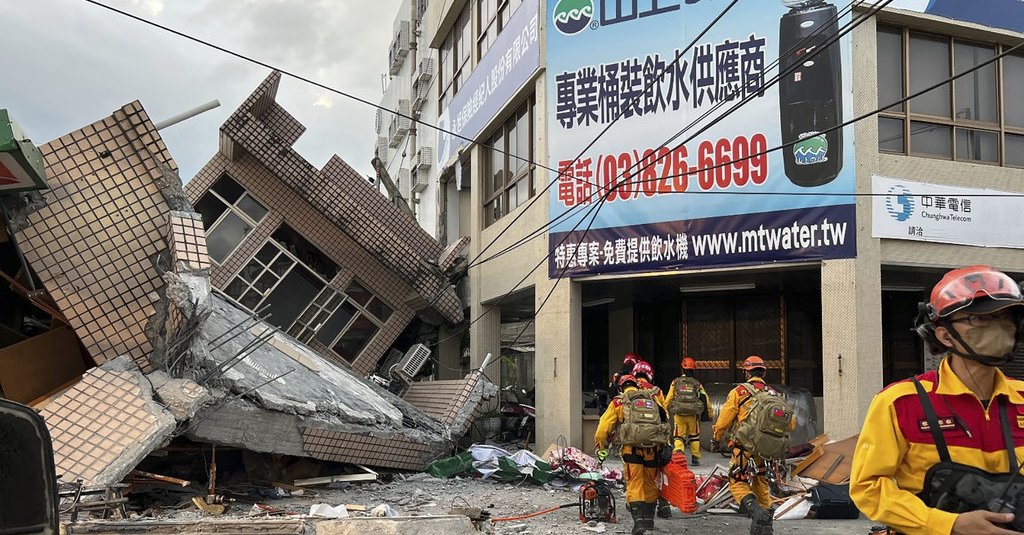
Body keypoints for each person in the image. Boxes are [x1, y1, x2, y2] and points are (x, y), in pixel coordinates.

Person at [849, 265, 1024, 535]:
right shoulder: (899, 402)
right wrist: (948, 524)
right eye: (980, 319)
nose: (998, 327)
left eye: (1004, 317)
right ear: (945, 335)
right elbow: (868, 487)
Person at [712, 355, 790, 535]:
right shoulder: (774, 394)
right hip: (766, 450)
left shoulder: (739, 392)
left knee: (737, 481)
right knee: (760, 481)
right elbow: (790, 423)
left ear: (747, 373)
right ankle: (765, 527)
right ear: (763, 372)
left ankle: (756, 512)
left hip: (745, 447)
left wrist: (716, 437)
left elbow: (725, 419)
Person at [595, 373, 672, 535]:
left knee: (635, 483)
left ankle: (639, 523)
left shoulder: (619, 402)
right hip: (653, 449)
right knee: (650, 483)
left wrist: (600, 446)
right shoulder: (652, 399)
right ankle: (649, 520)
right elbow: (665, 420)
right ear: (636, 385)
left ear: (621, 387)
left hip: (632, 450)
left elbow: (603, 429)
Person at [631, 360, 674, 519]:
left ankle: (636, 506)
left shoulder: (630, 390)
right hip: (655, 440)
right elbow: (664, 415)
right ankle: (663, 505)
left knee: (635, 475)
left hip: (633, 441)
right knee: (659, 472)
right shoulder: (657, 391)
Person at [665, 356, 713, 466]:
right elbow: (706, 399)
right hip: (692, 415)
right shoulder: (697, 383)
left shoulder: (675, 382)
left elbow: (668, 398)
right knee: (694, 436)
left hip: (679, 414)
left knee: (679, 436)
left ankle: (679, 455)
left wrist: (664, 411)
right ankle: (695, 457)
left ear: (682, 369)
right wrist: (710, 413)